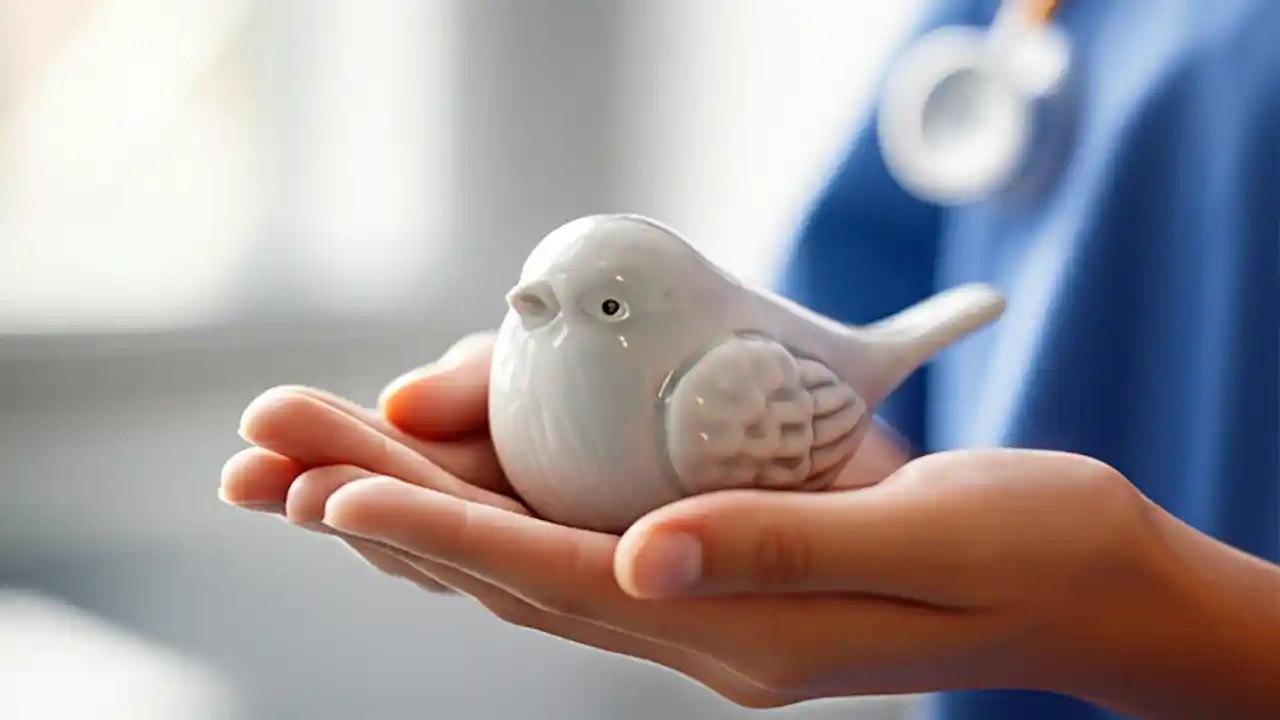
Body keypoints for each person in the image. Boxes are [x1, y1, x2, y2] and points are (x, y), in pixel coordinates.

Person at [218, 0, 1280, 718]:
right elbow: (860, 307)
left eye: (601, 308)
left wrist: (1193, 626)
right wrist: (862, 476)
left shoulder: (722, 395)